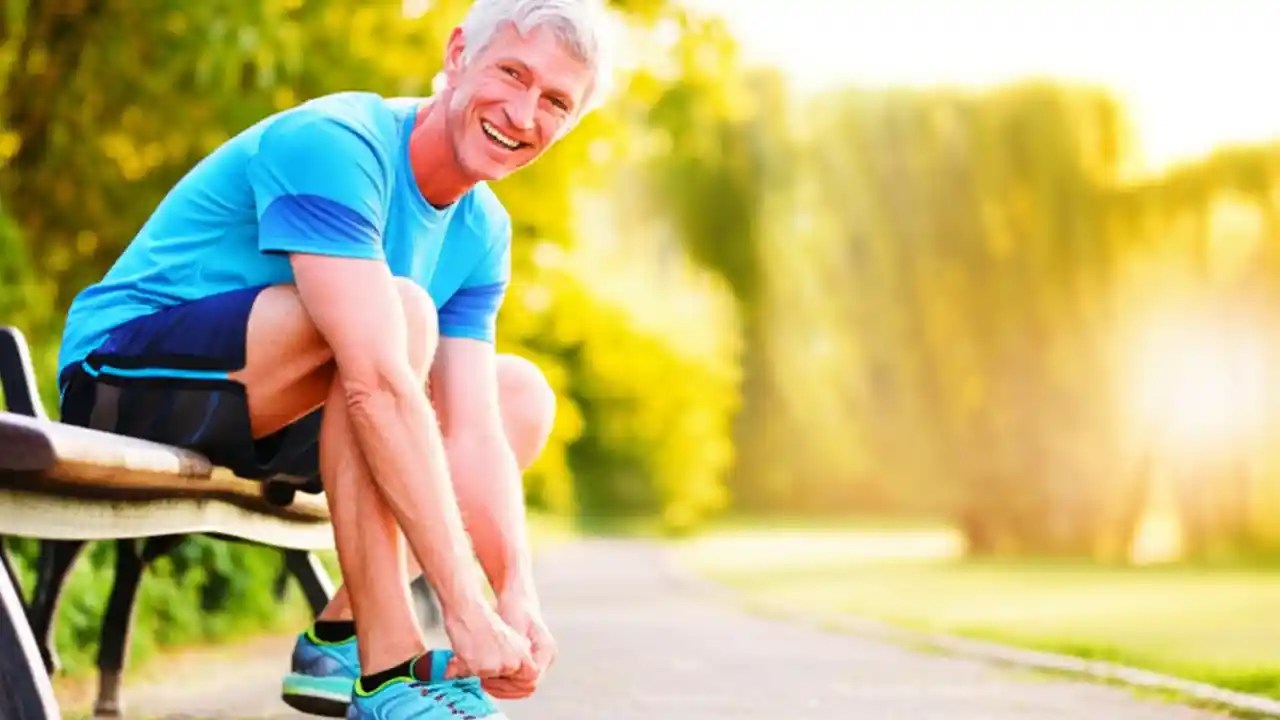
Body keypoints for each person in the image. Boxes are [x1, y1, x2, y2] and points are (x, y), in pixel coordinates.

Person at [54, 1, 610, 717]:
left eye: (556, 101)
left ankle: (342, 638)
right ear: (457, 54)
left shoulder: (483, 230)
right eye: (512, 72)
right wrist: (462, 606)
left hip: (289, 404)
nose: (523, 111)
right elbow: (379, 382)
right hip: (124, 381)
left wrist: (515, 594)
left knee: (518, 397)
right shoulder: (339, 142)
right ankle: (390, 669)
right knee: (395, 322)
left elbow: (471, 430)